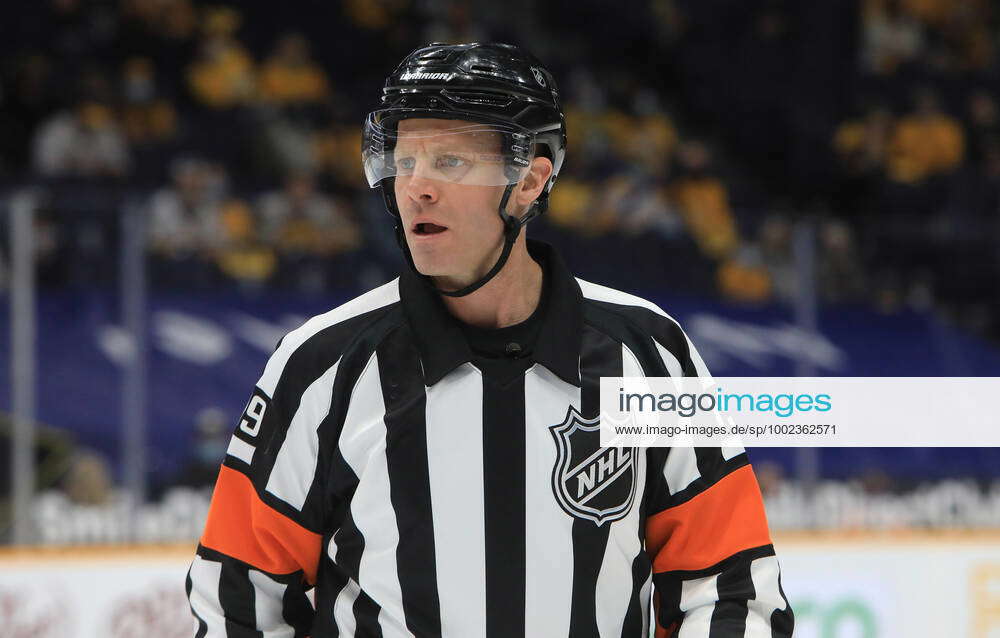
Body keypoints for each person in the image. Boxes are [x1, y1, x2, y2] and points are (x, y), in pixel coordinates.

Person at [186, 42, 794, 637]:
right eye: (405, 161)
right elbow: (237, 601)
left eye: (450, 162)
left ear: (530, 181)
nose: (416, 186)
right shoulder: (321, 365)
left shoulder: (649, 355)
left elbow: (731, 586)